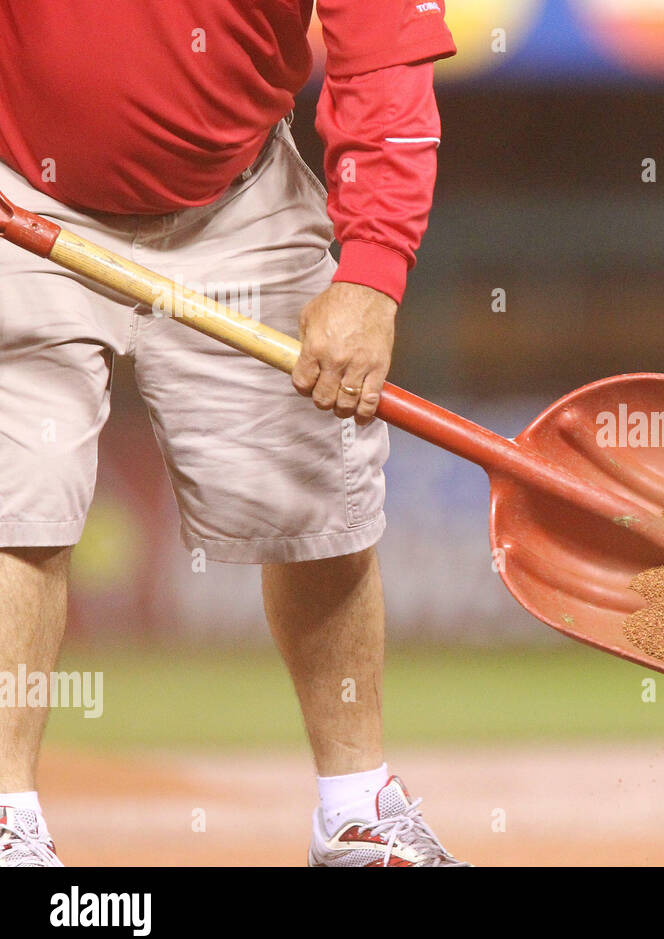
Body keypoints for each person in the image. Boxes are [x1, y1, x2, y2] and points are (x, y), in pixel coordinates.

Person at [0, 1, 466, 867]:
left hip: (239, 196)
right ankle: (4, 820)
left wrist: (372, 273)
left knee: (317, 503)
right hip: (19, 193)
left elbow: (385, 55)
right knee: (15, 497)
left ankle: (357, 812)